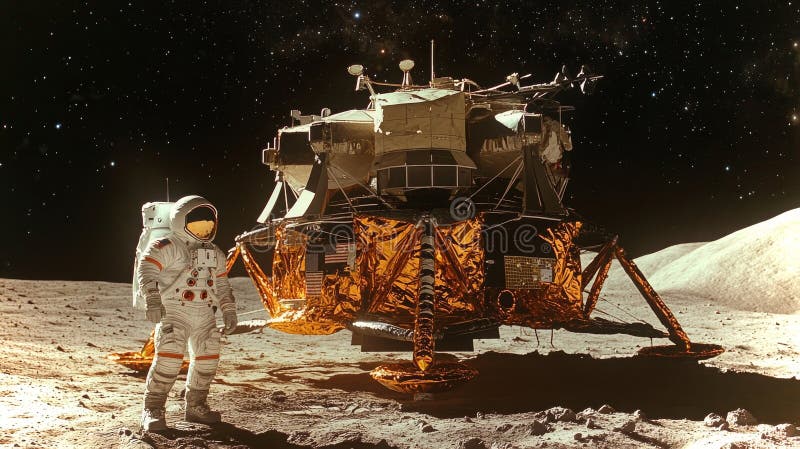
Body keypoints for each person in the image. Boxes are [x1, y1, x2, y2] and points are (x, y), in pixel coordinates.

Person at [136, 195, 238, 431]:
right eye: (197, 225)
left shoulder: (215, 253)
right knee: (169, 358)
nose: (204, 230)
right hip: (174, 311)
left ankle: (195, 407)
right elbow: (147, 270)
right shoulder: (167, 246)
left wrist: (229, 310)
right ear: (181, 221)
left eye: (208, 225)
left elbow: (222, 285)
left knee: (208, 357)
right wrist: (152, 300)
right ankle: (152, 408)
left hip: (204, 313)